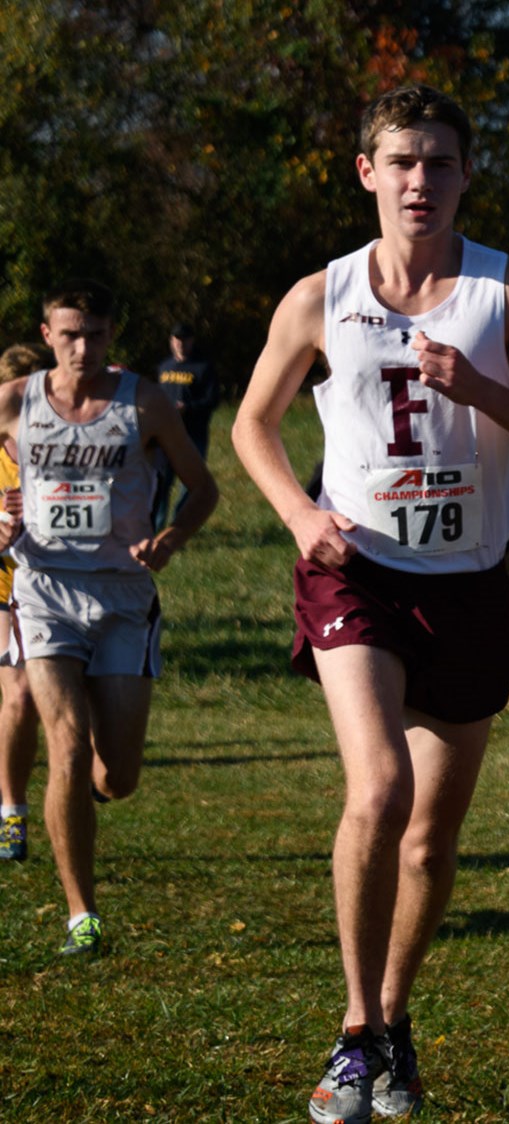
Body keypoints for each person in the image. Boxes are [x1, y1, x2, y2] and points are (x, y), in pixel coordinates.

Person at [231, 84, 509, 1124]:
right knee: (379, 786)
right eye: (401, 162)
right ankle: (352, 1032)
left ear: (466, 174)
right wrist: (302, 515)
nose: (420, 181)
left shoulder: (507, 291)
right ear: (367, 173)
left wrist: (480, 390)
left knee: (432, 840)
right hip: (355, 570)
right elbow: (252, 425)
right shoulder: (320, 295)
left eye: (440, 163)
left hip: (470, 580)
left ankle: (394, 1017)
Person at [0, 280, 217, 955]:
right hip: (44, 591)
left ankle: (92, 785)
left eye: (95, 333)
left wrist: (171, 539)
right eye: (69, 334)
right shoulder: (14, 401)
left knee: (116, 776)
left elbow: (202, 487)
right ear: (46, 336)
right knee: (63, 748)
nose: (83, 347)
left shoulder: (143, 400)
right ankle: (81, 915)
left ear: (112, 333)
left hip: (125, 597)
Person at [0, 344, 41, 865]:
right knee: (20, 696)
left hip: (59, 583)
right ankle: (11, 814)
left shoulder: (63, 443)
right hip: (3, 584)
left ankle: (99, 772)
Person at [150, 323, 222, 529]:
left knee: (191, 485)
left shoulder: (203, 368)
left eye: (184, 339)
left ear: (192, 341)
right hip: (166, 437)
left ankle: (180, 525)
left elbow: (213, 400)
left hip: (194, 434)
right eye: (176, 339)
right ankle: (156, 526)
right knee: (162, 484)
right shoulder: (164, 367)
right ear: (171, 341)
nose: (180, 344)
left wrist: (188, 407)